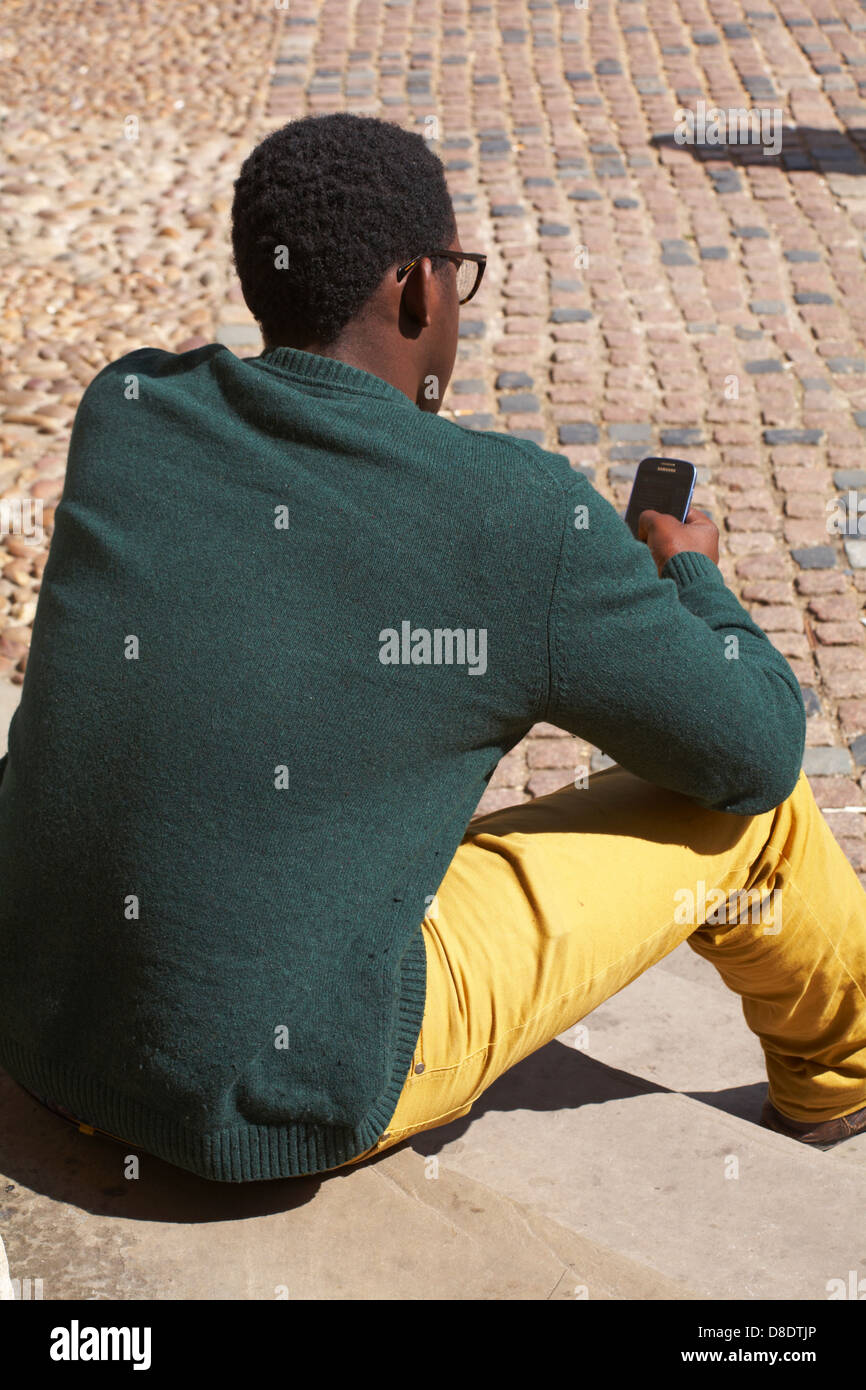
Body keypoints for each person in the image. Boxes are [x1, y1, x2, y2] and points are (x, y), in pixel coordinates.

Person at [1, 113, 865, 1184]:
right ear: (418, 286)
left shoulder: (126, 408)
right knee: (764, 820)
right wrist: (689, 572)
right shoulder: (512, 513)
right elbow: (753, 745)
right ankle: (841, 1080)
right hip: (267, 1094)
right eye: (459, 272)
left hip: (37, 1025)